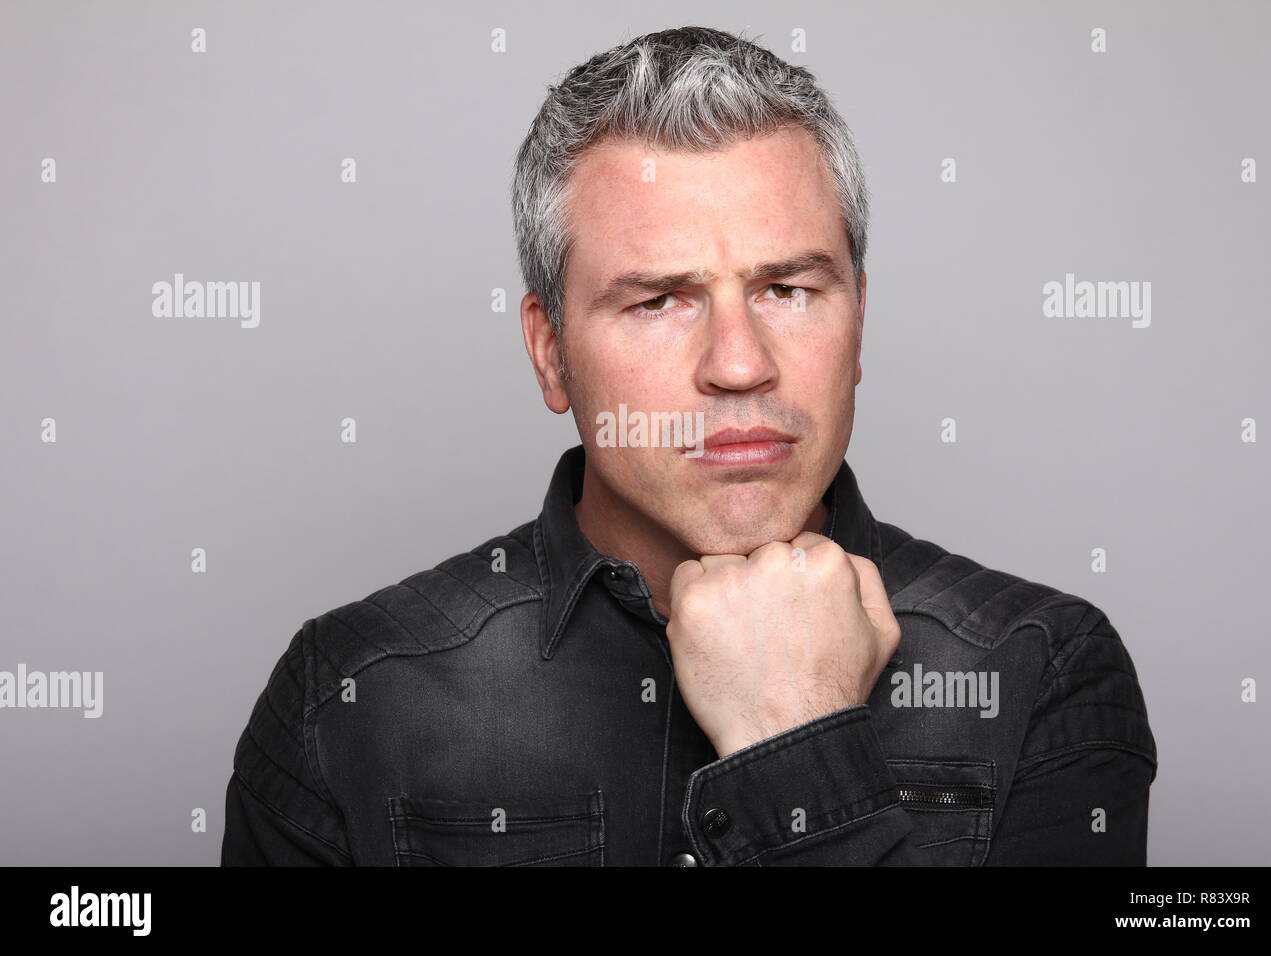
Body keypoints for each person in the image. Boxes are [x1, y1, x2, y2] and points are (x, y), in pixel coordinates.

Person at [221, 25, 1156, 866]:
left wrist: (795, 738)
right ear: (551, 354)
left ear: (859, 324)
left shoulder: (1041, 670)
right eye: (659, 300)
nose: (740, 366)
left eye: (789, 290)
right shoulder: (350, 695)